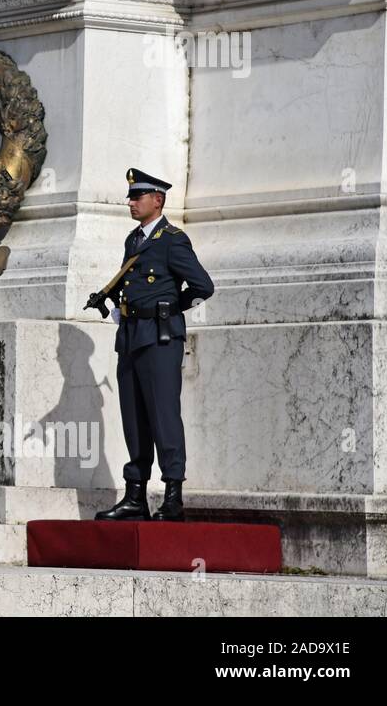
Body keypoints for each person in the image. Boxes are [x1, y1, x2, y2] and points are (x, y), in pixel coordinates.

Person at [86, 169, 214, 521]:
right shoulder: (134, 241)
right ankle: (136, 496)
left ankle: (173, 496)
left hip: (160, 338)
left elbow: (203, 286)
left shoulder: (173, 239)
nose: (130, 202)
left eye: (137, 196)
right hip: (130, 336)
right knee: (135, 417)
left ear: (157, 200)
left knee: (163, 416)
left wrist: (169, 309)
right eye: (130, 196)